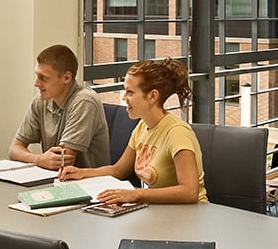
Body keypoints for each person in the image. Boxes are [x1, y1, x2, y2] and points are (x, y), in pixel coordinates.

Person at [59, 58, 207, 204]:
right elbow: (118, 170)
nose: (124, 98)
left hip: (190, 215)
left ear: (152, 96)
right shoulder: (142, 127)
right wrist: (81, 173)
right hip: (160, 212)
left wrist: (137, 194)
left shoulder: (177, 133)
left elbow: (190, 191)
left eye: (130, 92)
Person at [8, 44, 110, 170]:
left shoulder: (84, 101)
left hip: (87, 184)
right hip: (57, 180)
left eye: (44, 78)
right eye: (37, 76)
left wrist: (37, 159)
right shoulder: (41, 100)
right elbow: (14, 149)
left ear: (66, 77)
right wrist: (38, 159)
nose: (36, 83)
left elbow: (62, 160)